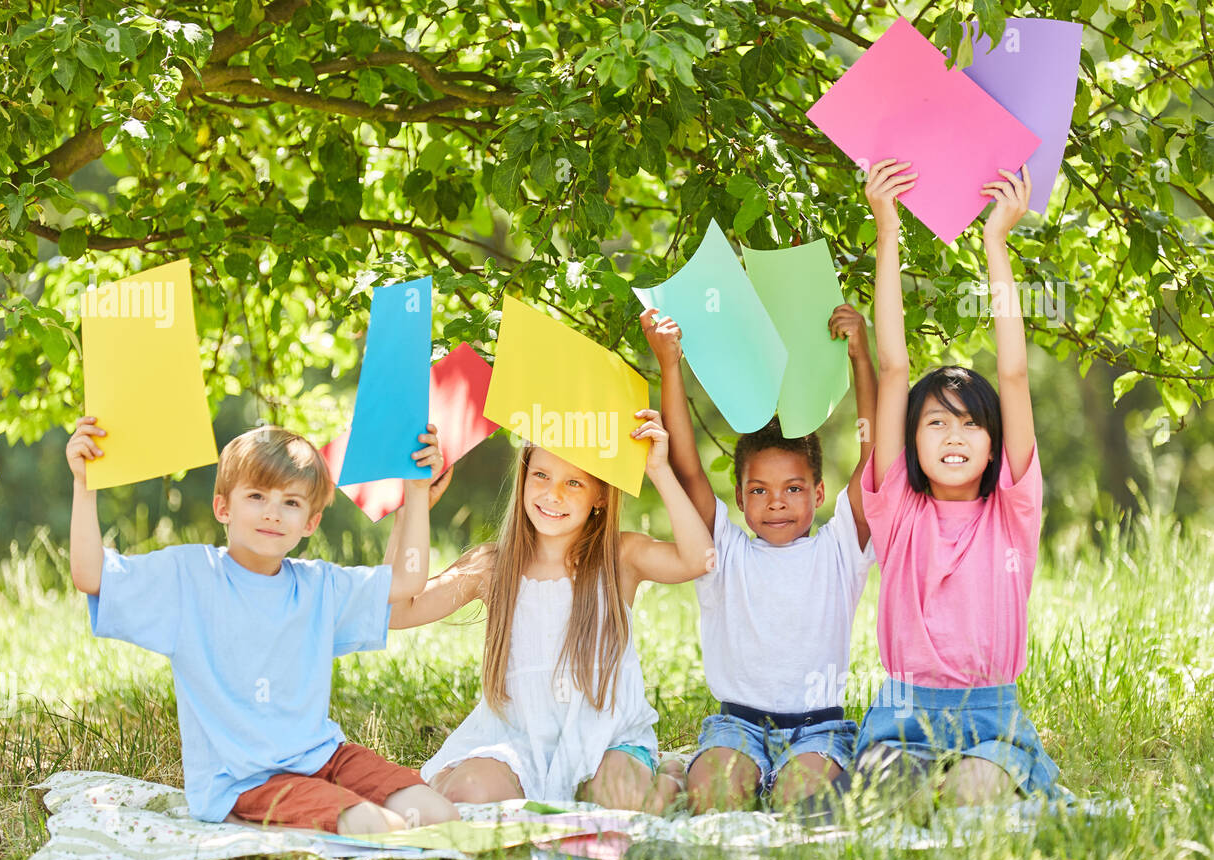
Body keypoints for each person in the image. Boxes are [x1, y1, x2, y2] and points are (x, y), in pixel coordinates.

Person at [66, 417, 460, 834]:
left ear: (310, 522)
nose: (273, 513)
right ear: (223, 507)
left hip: (324, 759)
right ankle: (249, 819)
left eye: (291, 503)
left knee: (440, 815)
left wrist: (416, 494)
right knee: (377, 826)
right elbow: (91, 576)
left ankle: (317, 816)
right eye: (256, 496)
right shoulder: (189, 576)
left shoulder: (317, 585)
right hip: (246, 780)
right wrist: (83, 484)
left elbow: (407, 581)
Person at [853, 158, 1061, 810]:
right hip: (903, 716)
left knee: (974, 793)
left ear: (994, 445)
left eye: (970, 424)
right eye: (936, 421)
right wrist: (886, 229)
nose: (952, 435)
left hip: (991, 716)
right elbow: (893, 368)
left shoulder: (1013, 510)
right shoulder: (898, 511)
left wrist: (995, 242)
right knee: (889, 799)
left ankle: (975, 785)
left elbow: (1015, 375)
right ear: (912, 440)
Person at [387, 409, 714, 813]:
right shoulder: (493, 566)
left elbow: (700, 559)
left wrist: (660, 471)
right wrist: (410, 509)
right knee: (463, 796)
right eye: (541, 475)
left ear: (599, 496)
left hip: (605, 738)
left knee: (618, 804)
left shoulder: (618, 557)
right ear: (524, 478)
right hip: (516, 738)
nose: (553, 494)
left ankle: (666, 777)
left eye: (574, 482)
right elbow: (396, 611)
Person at [644, 300, 879, 814]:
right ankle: (689, 772)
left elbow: (876, 457)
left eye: (794, 488)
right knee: (714, 798)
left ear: (819, 494)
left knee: (804, 804)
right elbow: (687, 474)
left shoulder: (841, 548)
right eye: (760, 490)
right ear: (740, 495)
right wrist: (669, 365)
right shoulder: (722, 551)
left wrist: (862, 358)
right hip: (736, 725)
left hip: (819, 728)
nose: (776, 501)